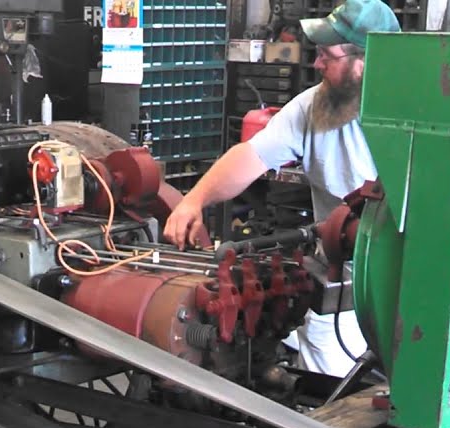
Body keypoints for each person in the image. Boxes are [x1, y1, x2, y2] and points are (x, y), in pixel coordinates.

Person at [162, 0, 399, 377]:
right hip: (339, 281)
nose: (316, 64)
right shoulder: (314, 107)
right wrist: (194, 200)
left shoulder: (416, 117)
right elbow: (251, 156)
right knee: (329, 386)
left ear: (366, 62)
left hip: (402, 283)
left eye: (327, 56)